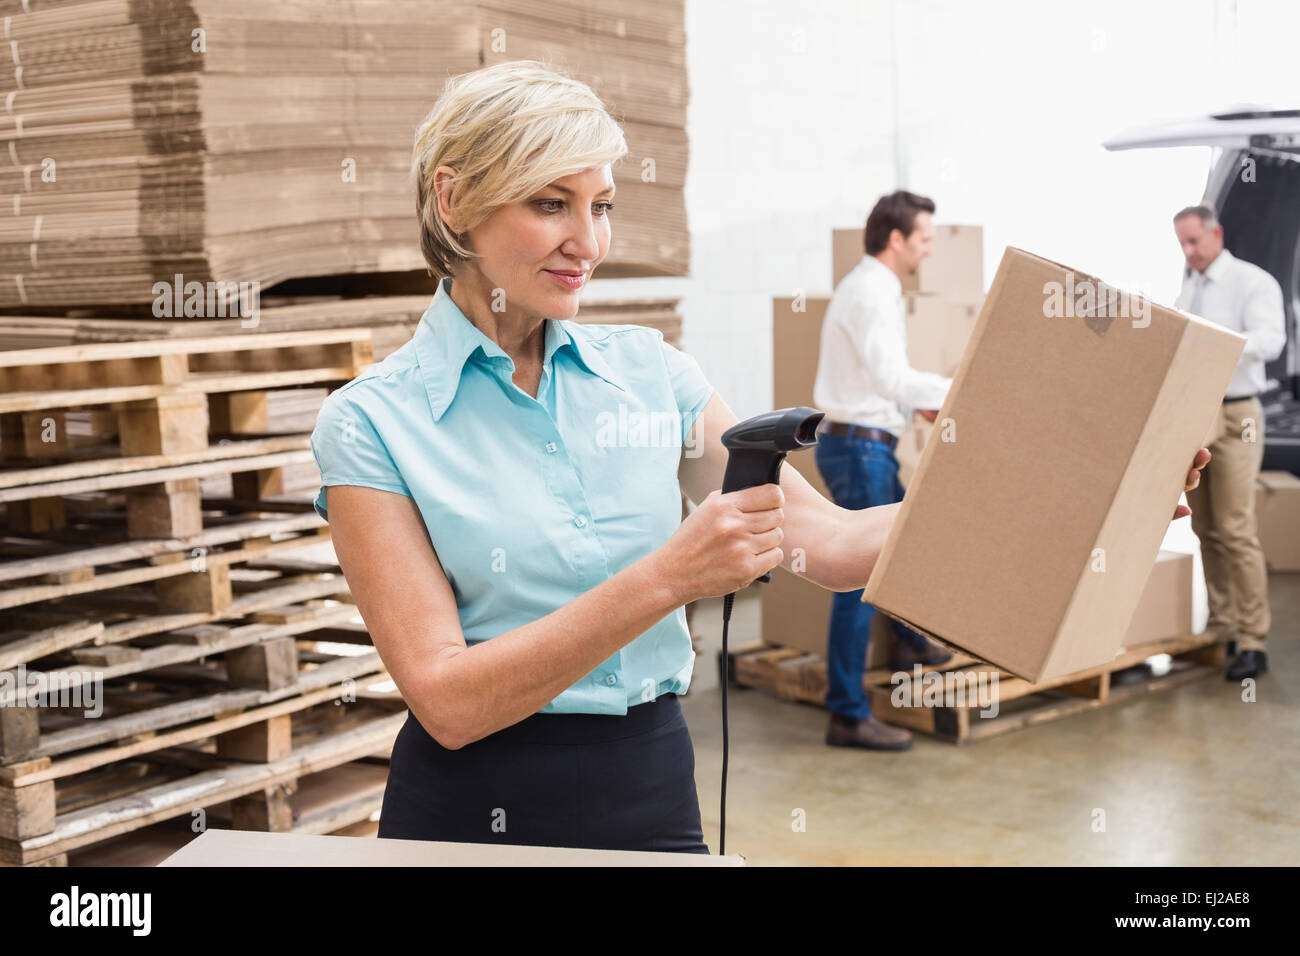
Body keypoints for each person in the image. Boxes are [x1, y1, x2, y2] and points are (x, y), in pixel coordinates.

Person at [311, 60, 1213, 853]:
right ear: (453, 200)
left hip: (649, 783)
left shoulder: (649, 374)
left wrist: (1082, 493)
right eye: (551, 204)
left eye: (601, 207)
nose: (588, 243)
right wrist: (670, 577)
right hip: (473, 808)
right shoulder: (372, 425)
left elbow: (829, 543)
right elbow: (450, 700)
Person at [810, 190, 960, 751]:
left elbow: (884, 382)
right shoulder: (871, 292)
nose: (928, 251)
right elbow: (892, 377)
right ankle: (847, 714)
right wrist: (960, 391)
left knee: (903, 546)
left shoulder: (875, 287)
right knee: (856, 576)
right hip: (858, 448)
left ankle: (908, 641)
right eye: (923, 239)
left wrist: (912, 403)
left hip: (867, 441)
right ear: (897, 239)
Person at [1173, 204, 1286, 681]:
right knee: (1205, 528)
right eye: (1182, 243)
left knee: (1236, 527)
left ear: (1216, 234)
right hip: (1198, 411)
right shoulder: (1190, 285)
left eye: (1195, 241)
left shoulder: (1251, 281)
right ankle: (1221, 627)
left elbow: (1272, 340)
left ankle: (1253, 639)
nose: (1189, 251)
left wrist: (1220, 344)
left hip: (1238, 410)